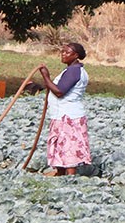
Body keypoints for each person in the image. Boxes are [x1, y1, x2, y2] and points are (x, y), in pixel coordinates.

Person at [37, 42, 91, 176]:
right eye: (62, 51)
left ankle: (69, 179)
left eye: (67, 52)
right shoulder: (73, 70)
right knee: (61, 148)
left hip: (67, 117)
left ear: (76, 55)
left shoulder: (74, 71)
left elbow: (60, 91)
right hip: (62, 115)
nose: (63, 54)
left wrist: (45, 76)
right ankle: (60, 175)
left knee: (69, 149)